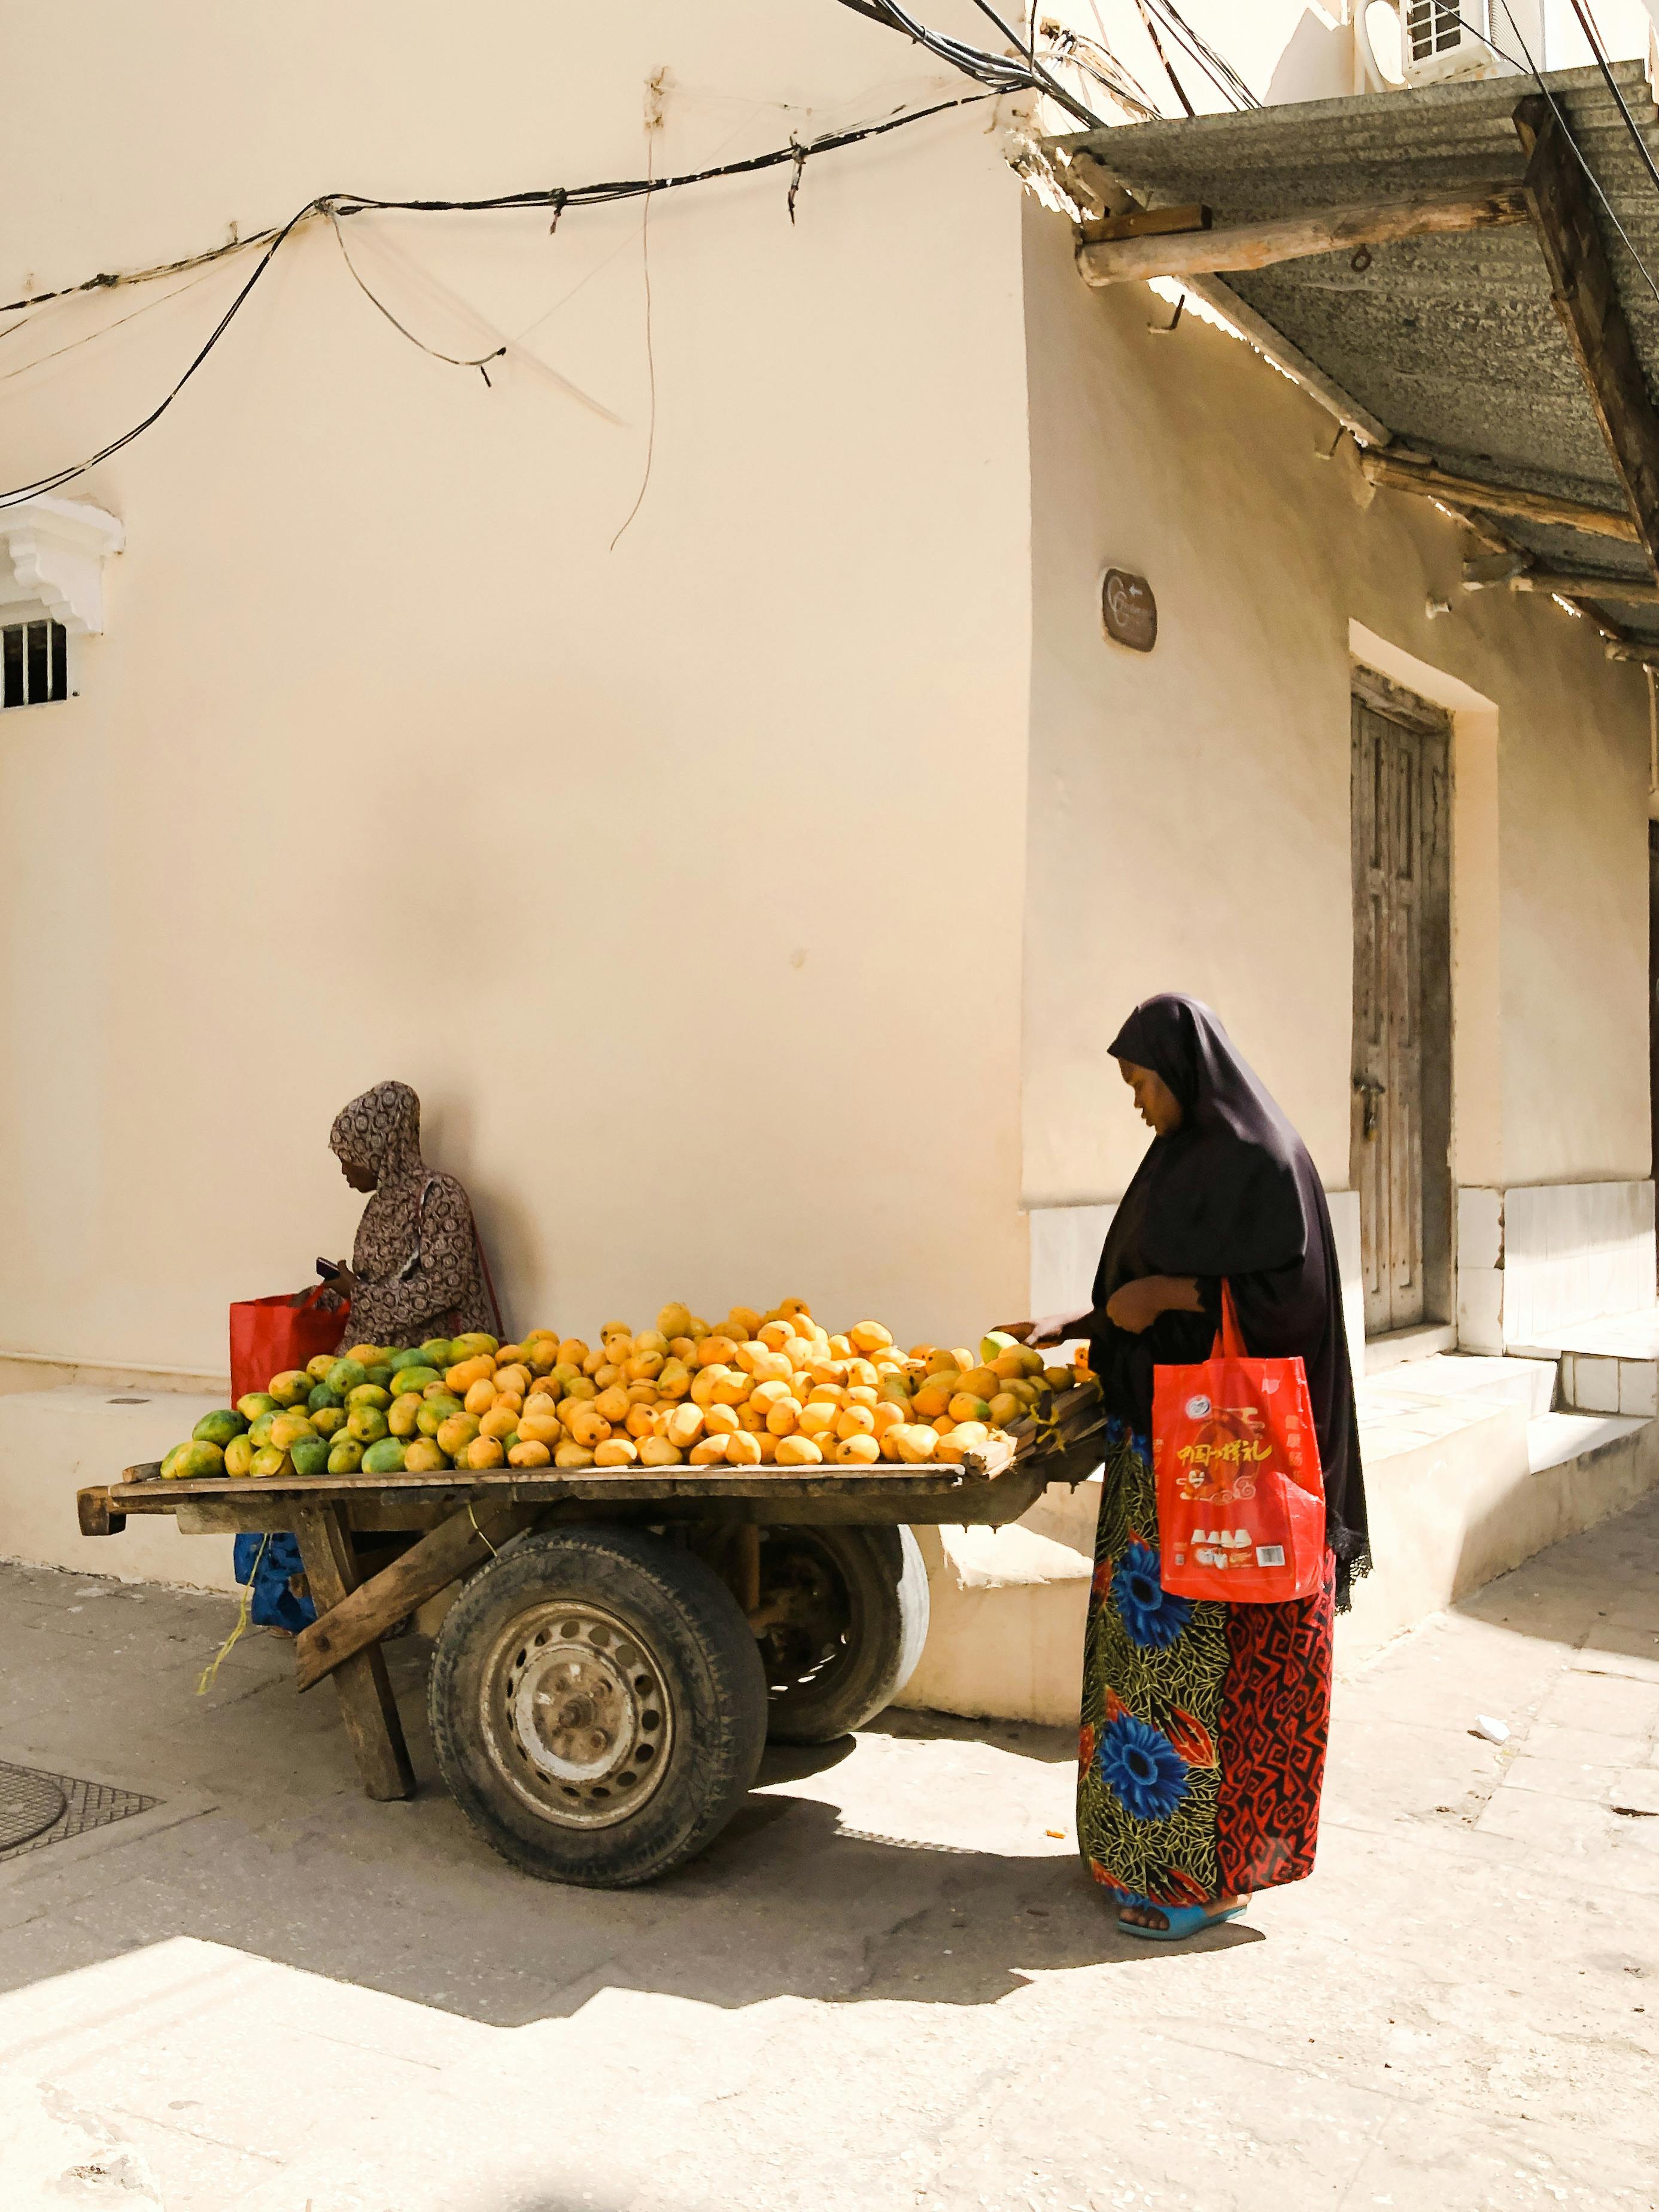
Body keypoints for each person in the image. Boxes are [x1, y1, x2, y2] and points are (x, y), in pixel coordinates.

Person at [1003, 994, 1368, 1942]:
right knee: (1146, 1674)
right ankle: (1137, 1851)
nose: (1136, 1104)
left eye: (1142, 1084)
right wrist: (1081, 1321)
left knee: (1204, 1678)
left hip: (1224, 1473)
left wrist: (1168, 1292)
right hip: (1159, 1457)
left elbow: (1286, 1306)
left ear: (1185, 1073)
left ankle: (1202, 1881)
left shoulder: (1264, 1162)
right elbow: (1147, 1290)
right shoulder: (1186, 1159)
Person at [322, 1079, 496, 1349]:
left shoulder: (440, 1196)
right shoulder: (380, 1205)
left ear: (380, 1151)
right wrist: (326, 1294)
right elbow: (379, 1282)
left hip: (434, 1363)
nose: (345, 1168)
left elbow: (445, 1288)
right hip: (373, 1361)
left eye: (351, 1156)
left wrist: (357, 1294)